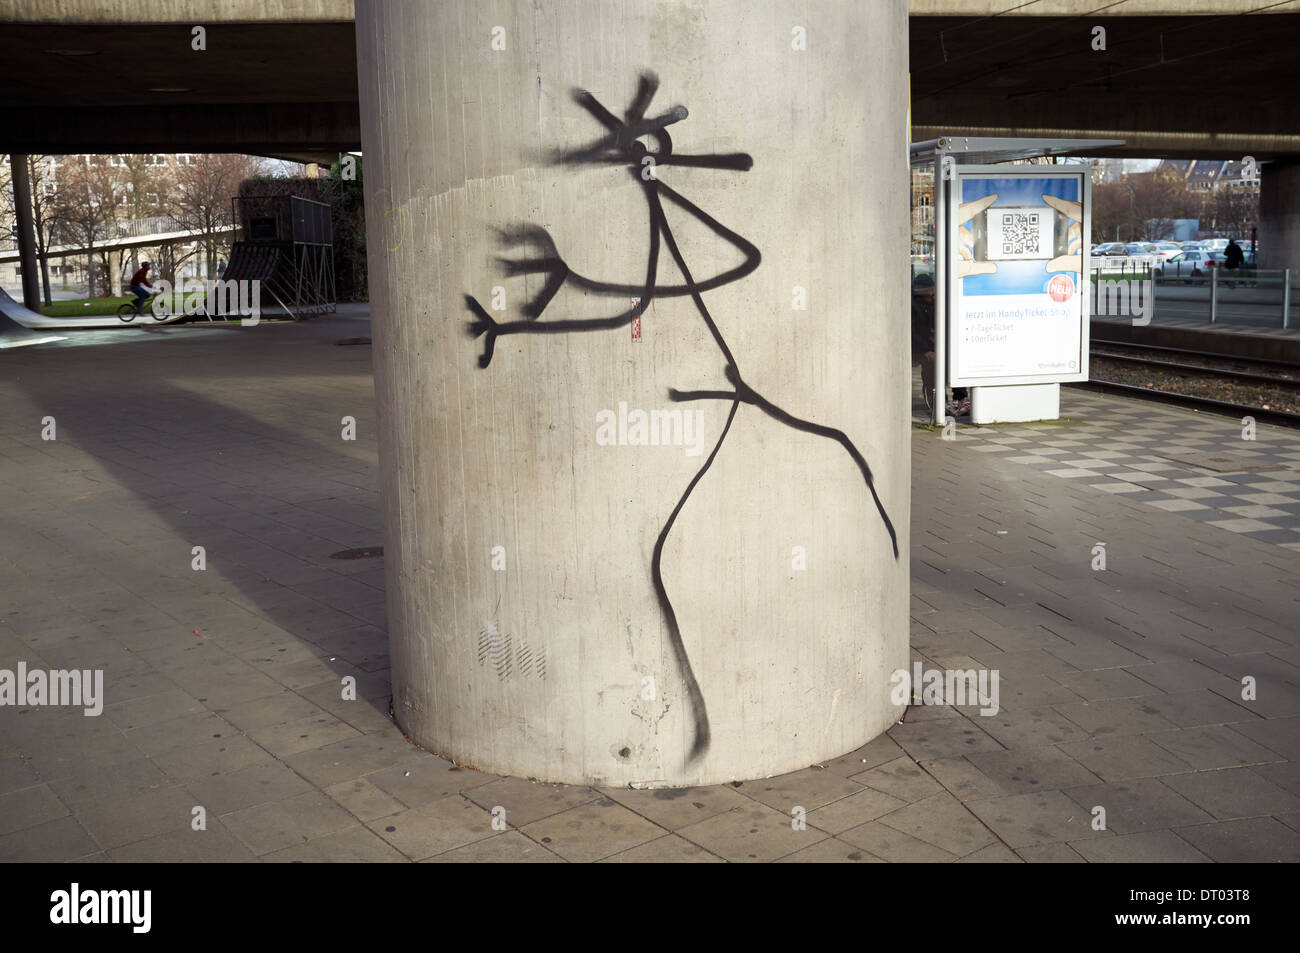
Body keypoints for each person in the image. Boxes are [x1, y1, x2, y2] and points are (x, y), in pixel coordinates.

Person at [910, 273, 969, 417]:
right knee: (932, 366)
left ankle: (960, 398)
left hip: (937, 344)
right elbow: (912, 332)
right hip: (923, 347)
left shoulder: (938, 302)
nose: (930, 294)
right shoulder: (913, 305)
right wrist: (925, 350)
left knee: (953, 363)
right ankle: (937, 401)